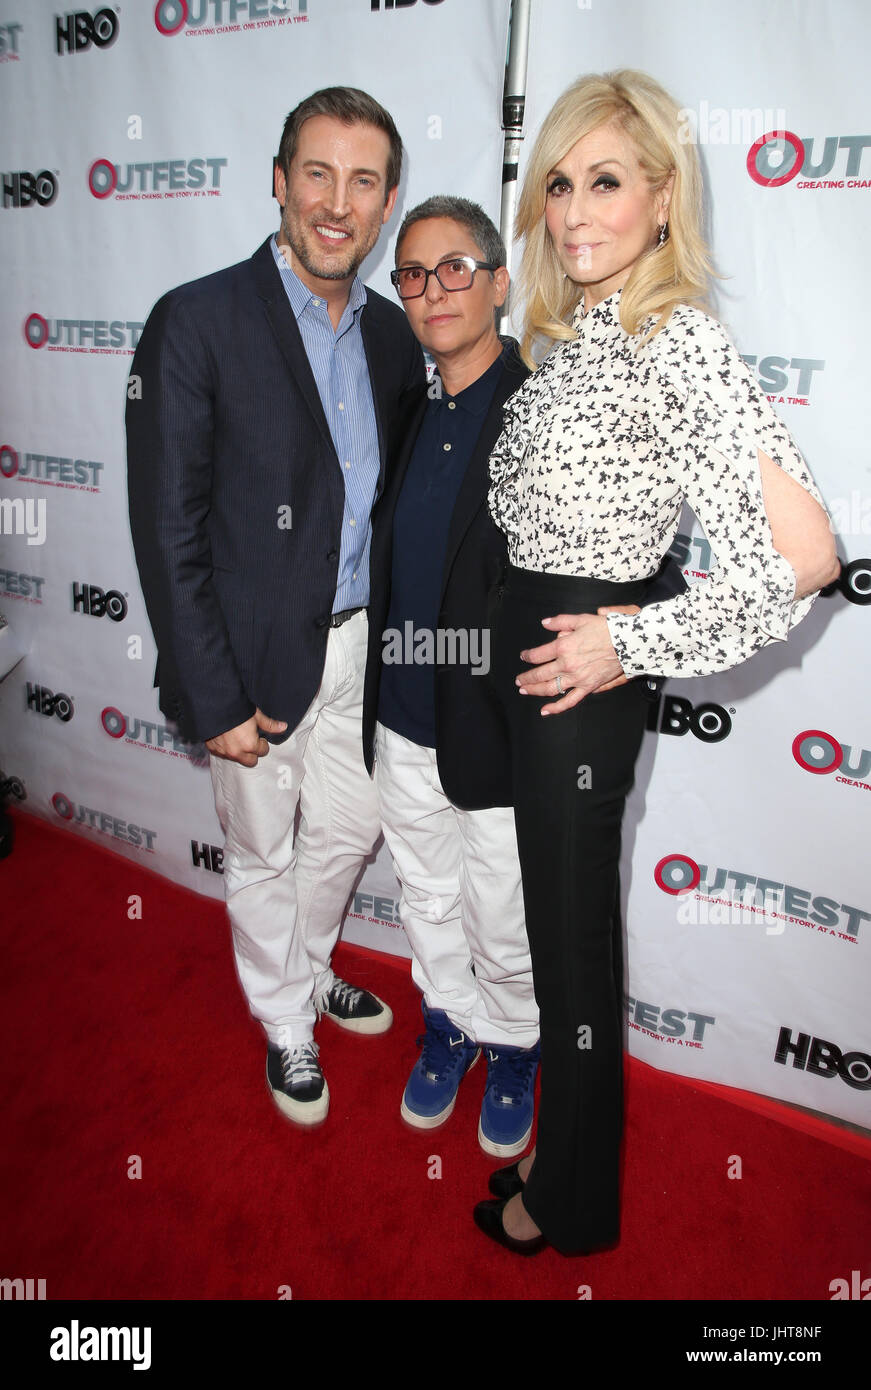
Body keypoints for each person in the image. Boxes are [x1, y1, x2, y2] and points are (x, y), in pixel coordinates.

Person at [474, 70, 839, 1255]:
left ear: (665, 199)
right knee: (555, 935)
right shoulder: (578, 330)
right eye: (560, 184)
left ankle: (570, 1207)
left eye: (607, 182)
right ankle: (568, 1162)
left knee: (574, 952)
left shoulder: (674, 337)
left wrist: (632, 639)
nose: (575, 211)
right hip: (537, 663)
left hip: (584, 678)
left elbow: (803, 553)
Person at [126, 88, 426, 1127]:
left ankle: (302, 965)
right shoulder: (195, 320)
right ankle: (285, 1019)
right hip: (248, 661)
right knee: (261, 850)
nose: (337, 203)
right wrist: (210, 689)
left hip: (360, 655)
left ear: (389, 201)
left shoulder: (393, 339)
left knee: (346, 831)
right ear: (278, 178)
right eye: (317, 173)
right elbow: (167, 527)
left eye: (362, 181)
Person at [362, 197, 541, 1158]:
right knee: (425, 899)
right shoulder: (403, 405)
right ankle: (450, 1026)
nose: (433, 291)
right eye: (413, 275)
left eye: (455, 269)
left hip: (496, 731)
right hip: (398, 719)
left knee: (502, 912)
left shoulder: (546, 414)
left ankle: (515, 1044)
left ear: (498, 283)